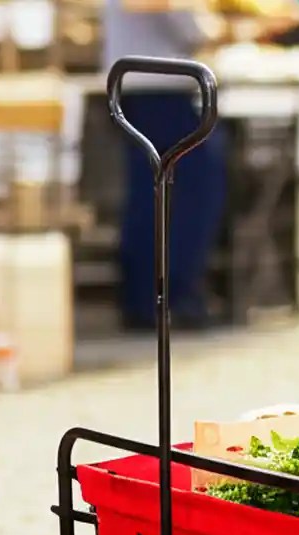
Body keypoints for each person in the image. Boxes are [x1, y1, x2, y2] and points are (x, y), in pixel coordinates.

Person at [102, 0, 228, 331]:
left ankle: (148, 300)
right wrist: (216, 26)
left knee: (151, 196)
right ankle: (168, 299)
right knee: (180, 198)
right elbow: (190, 26)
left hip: (138, 88)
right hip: (160, 91)